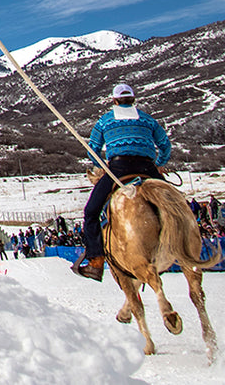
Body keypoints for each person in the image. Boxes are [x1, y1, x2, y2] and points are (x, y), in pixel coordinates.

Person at [72, 83, 173, 281]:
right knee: (177, 203)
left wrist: (102, 166)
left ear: (115, 100)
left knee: (91, 212)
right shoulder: (147, 119)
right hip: (147, 168)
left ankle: (96, 261)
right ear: (133, 99)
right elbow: (165, 145)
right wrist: (159, 165)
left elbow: (92, 149)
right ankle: (190, 244)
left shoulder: (105, 120)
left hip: (118, 169)